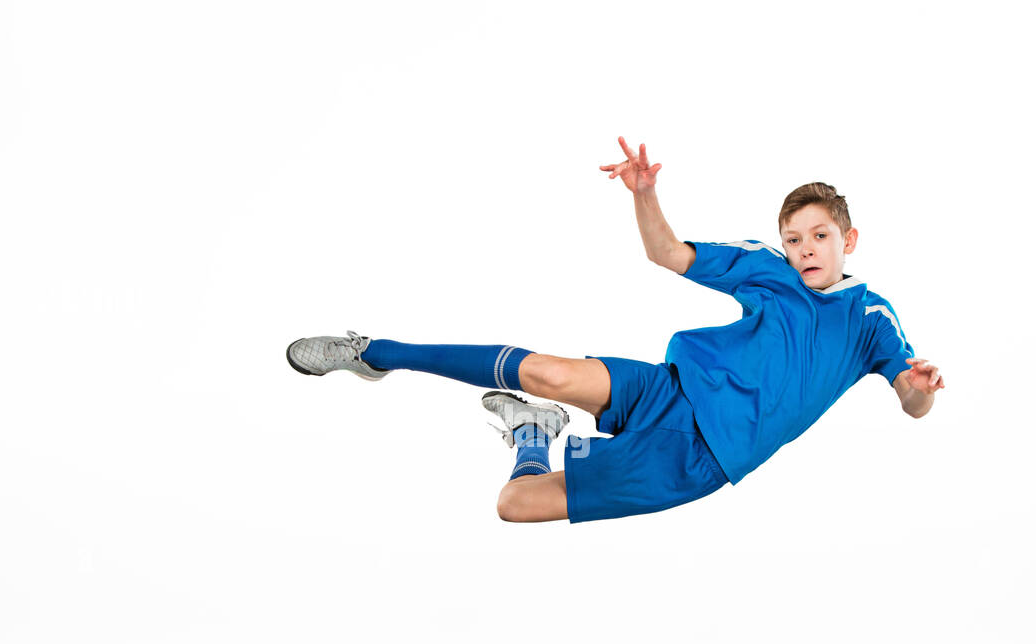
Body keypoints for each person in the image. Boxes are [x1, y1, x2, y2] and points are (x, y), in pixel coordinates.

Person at [286, 136, 946, 524]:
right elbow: (668, 254)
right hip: (673, 388)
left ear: (849, 239)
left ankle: (532, 434)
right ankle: (376, 352)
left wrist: (918, 386)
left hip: (697, 460)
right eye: (794, 237)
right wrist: (644, 195)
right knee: (545, 370)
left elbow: (911, 404)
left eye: (820, 237)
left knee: (514, 505)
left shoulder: (871, 320)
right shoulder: (767, 270)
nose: (805, 249)